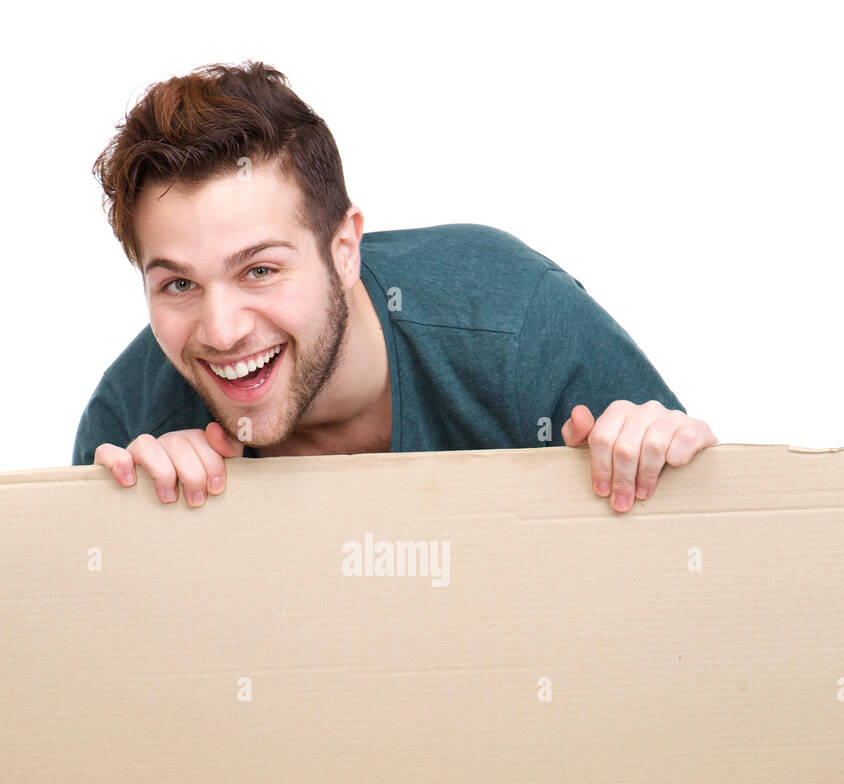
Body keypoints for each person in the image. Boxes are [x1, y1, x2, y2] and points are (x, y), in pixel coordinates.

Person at [75, 61, 716, 511]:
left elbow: (708, 570)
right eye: (179, 284)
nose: (221, 331)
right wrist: (148, 532)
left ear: (344, 250)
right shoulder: (129, 425)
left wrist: (662, 453)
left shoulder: (515, 320)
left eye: (260, 270)